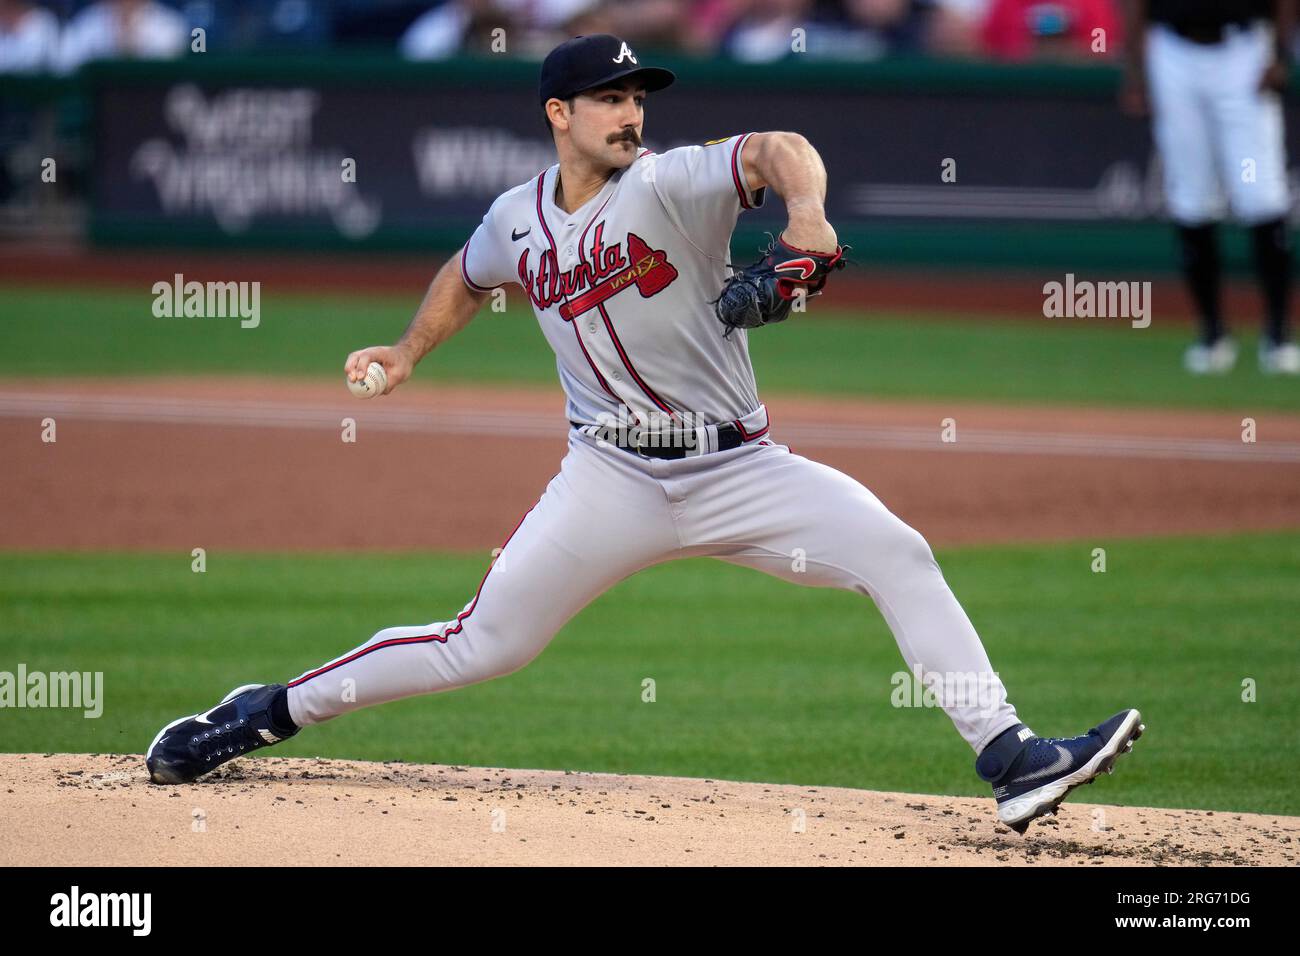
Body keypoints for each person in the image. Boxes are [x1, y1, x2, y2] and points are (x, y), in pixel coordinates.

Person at [145, 33, 1144, 835]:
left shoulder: (672, 185)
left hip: (741, 468)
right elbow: (467, 271)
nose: (631, 113)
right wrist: (408, 350)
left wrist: (808, 215)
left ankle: (1009, 757)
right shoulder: (518, 218)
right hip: (608, 480)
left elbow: (774, 148)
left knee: (896, 549)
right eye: (611, 97)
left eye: (638, 97)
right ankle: (263, 712)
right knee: (480, 643)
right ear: (557, 114)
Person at [1124, 0, 1300, 375]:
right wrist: (1135, 70)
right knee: (1192, 197)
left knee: (1261, 194)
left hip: (1243, 50)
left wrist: (1281, 53)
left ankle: (1279, 335)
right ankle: (1212, 334)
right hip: (1173, 52)